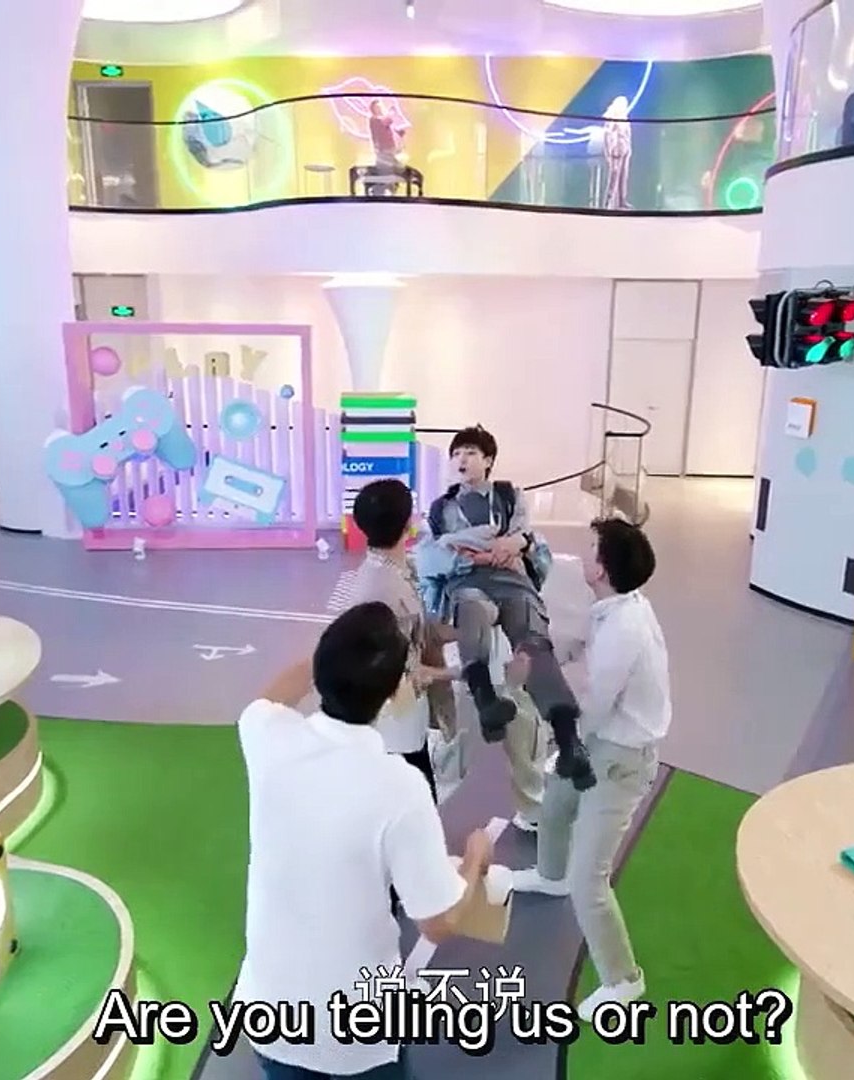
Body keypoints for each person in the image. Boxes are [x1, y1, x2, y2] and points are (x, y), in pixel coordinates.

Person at [235, 603, 494, 1079]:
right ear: (394, 692)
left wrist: (334, 656)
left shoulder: (268, 736)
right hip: (357, 1026)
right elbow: (438, 922)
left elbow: (272, 697)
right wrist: (475, 858)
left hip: (269, 1009)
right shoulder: (399, 785)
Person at [511, 517, 668, 1021]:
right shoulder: (617, 606)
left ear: (601, 570)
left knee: (590, 881)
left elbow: (594, 705)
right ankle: (548, 875)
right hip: (602, 740)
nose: (584, 553)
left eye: (591, 548)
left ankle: (624, 980)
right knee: (555, 803)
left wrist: (551, 711)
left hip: (620, 759)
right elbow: (582, 641)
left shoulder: (624, 629)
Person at [417, 425, 593, 791]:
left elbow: (524, 537)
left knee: (535, 644)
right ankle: (485, 699)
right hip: (468, 582)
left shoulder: (509, 496)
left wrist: (513, 543)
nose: (462, 460)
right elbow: (437, 552)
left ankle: (568, 739)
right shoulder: (441, 508)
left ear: (488, 460)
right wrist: (489, 548)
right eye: (456, 453)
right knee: (472, 610)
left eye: (470, 452)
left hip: (514, 583)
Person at [343, 478, 457, 798]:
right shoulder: (382, 590)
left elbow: (422, 632)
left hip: (403, 719)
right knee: (416, 797)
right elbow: (403, 673)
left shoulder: (394, 571)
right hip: (393, 721)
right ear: (409, 523)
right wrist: (460, 672)